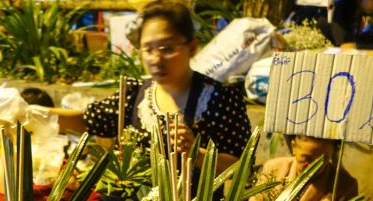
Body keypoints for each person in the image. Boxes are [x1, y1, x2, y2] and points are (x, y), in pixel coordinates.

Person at [53, 0, 251, 173]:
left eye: (167, 49)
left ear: (191, 48)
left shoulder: (220, 99)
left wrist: (196, 154)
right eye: (148, 49)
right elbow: (88, 120)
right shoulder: (134, 95)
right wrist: (33, 115)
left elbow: (241, 167)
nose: (156, 59)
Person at [246, 135, 358, 201]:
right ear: (293, 146)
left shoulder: (345, 185)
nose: (313, 166)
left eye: (321, 160)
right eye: (306, 158)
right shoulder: (274, 168)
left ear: (331, 153)